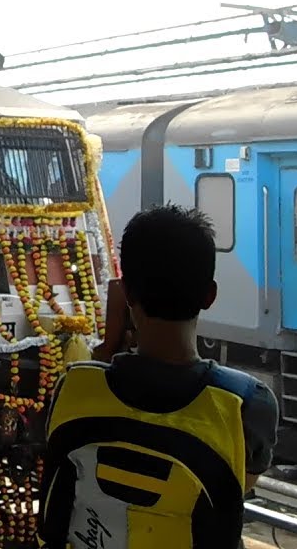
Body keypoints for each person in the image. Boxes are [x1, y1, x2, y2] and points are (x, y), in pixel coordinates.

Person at [38, 204, 279, 549]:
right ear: (209, 296)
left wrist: (106, 353)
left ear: (128, 294)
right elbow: (238, 485)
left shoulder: (74, 387)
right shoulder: (247, 404)